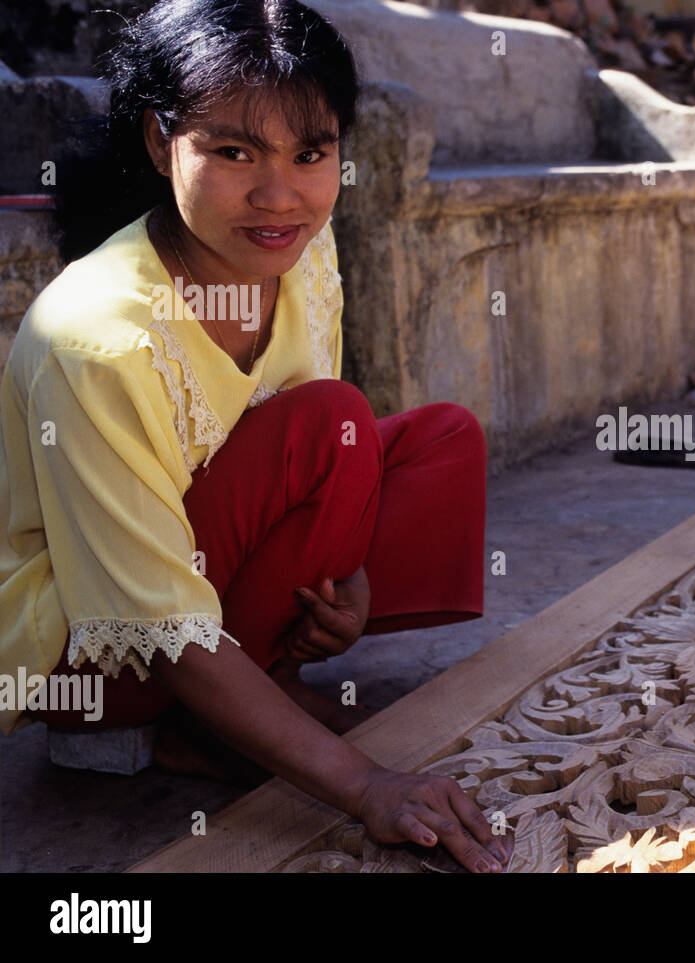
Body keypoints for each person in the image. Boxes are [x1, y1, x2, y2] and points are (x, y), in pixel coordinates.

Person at [0, 0, 512, 872]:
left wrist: (343, 577)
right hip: (101, 656)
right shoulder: (95, 338)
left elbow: (304, 418)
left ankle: (255, 691)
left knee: (441, 442)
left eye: (310, 154)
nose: (280, 196)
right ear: (164, 144)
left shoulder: (299, 249)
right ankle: (220, 718)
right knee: (338, 425)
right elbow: (155, 613)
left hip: (224, 565)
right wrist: (364, 785)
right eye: (233, 152)